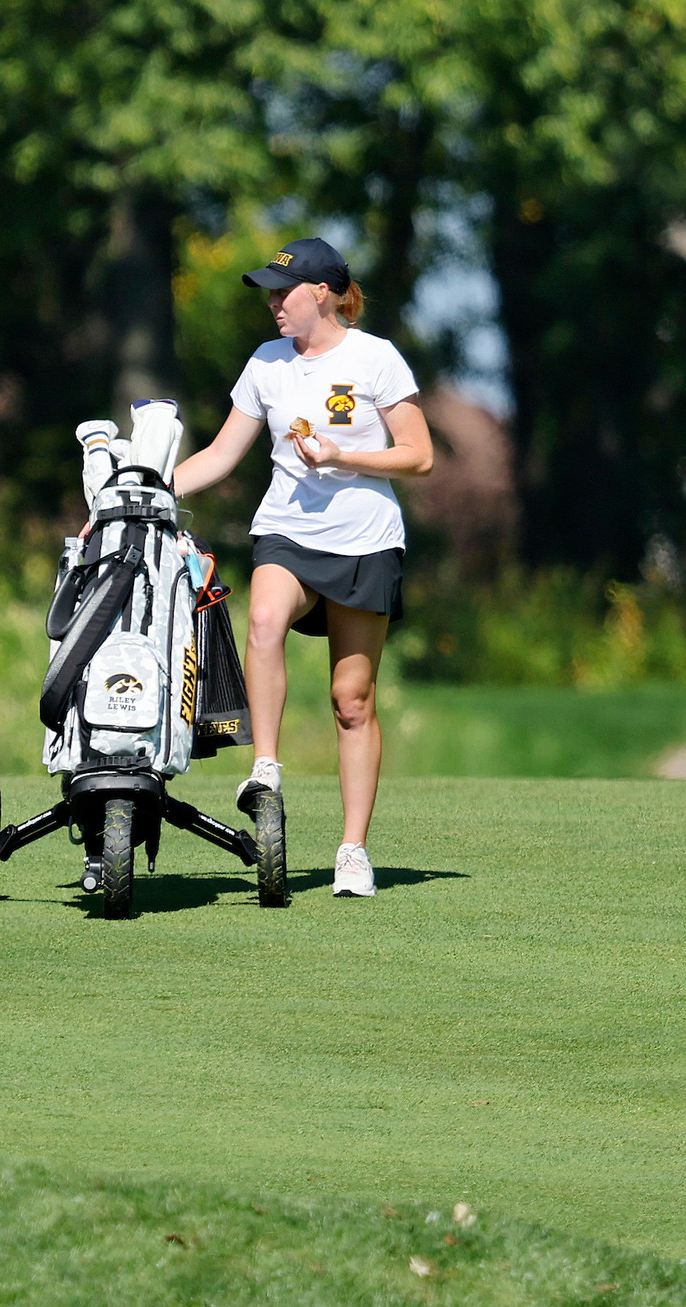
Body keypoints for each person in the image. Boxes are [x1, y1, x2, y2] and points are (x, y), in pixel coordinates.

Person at [172, 237, 433, 897]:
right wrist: (141, 487)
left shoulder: (376, 358)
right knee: (262, 618)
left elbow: (419, 455)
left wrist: (343, 458)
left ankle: (352, 852)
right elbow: (220, 454)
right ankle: (265, 766)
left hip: (366, 540)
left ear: (322, 293)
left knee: (352, 702)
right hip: (286, 531)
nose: (271, 304)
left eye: (281, 292)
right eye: (267, 292)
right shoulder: (266, 363)